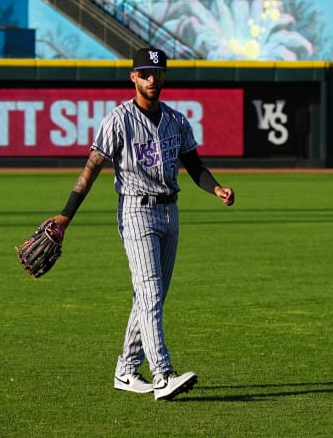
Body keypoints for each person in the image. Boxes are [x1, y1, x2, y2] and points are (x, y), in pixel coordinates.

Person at [43, 47, 234, 401]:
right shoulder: (118, 120)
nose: (152, 80)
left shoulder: (177, 121)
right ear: (133, 77)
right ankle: (162, 373)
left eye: (158, 74)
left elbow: (195, 166)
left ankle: (127, 369)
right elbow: (91, 169)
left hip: (170, 211)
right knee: (149, 291)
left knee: (152, 295)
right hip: (135, 209)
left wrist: (216, 188)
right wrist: (65, 216)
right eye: (145, 74)